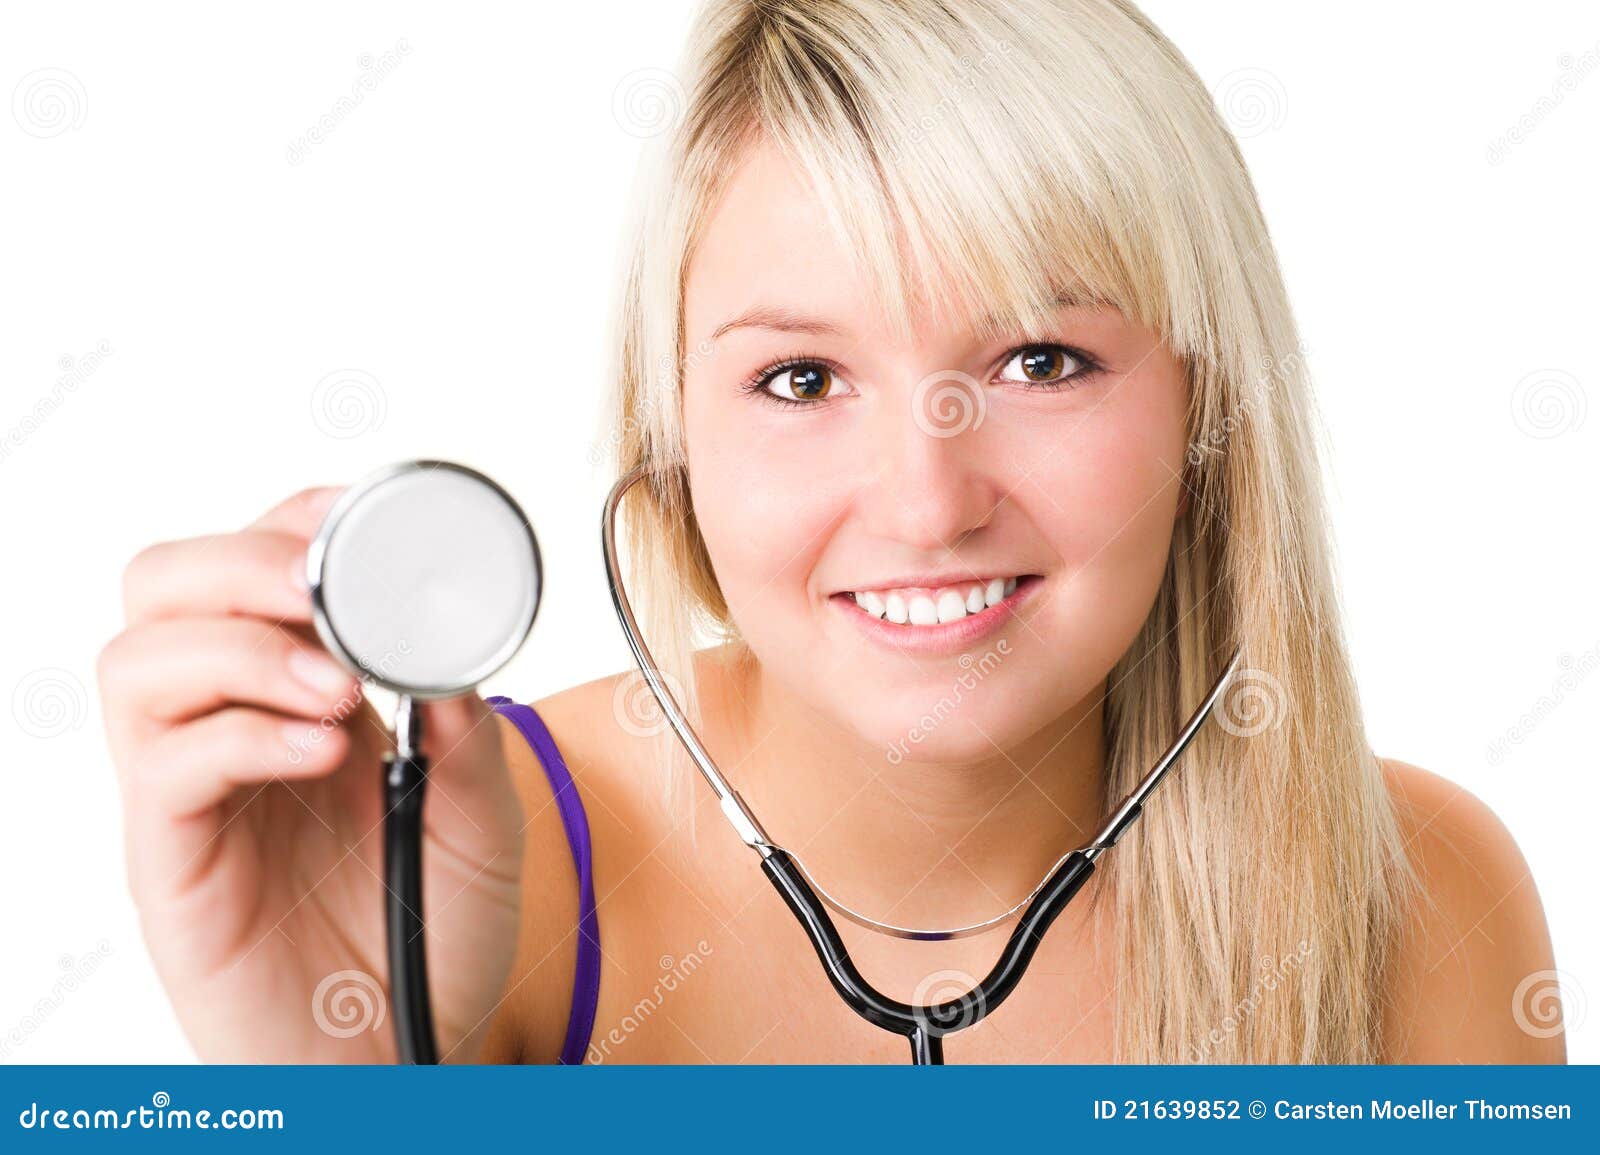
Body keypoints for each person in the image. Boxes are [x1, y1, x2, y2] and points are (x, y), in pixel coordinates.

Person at [96, 0, 1563, 1064]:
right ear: (670, 440)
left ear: (1208, 405)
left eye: (1040, 360)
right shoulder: (487, 872)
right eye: (800, 378)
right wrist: (337, 1091)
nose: (927, 503)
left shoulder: (1419, 897)